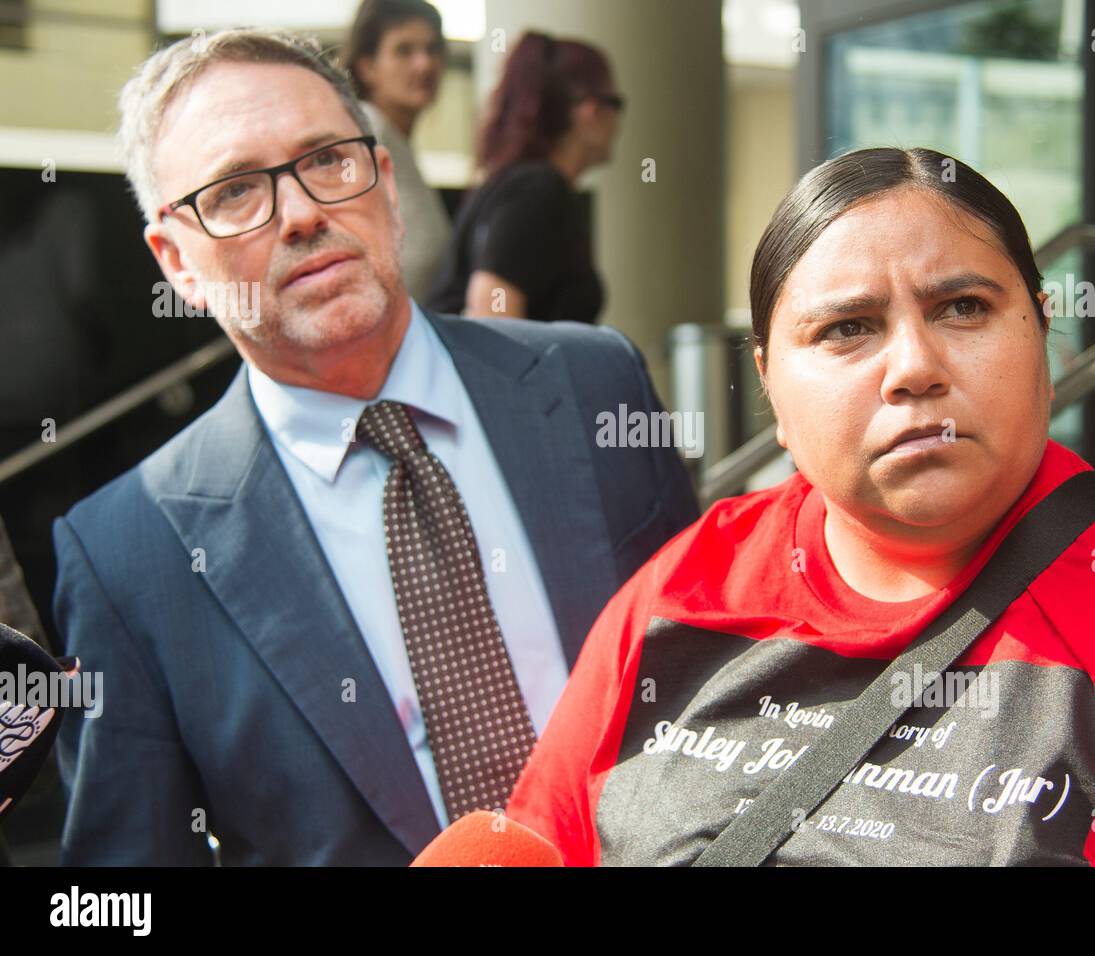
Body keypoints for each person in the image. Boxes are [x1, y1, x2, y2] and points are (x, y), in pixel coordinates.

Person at [506, 147, 1095, 866]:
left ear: (1046, 337)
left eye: (964, 308)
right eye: (847, 328)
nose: (914, 368)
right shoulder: (679, 594)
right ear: (771, 387)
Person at [52, 28, 697, 866]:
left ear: (386, 185)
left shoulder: (593, 385)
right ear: (176, 261)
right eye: (238, 189)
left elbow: (719, 691)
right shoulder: (127, 553)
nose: (303, 213)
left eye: (327, 159)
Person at [426, 31, 622, 324]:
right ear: (589, 110)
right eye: (616, 103)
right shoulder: (538, 190)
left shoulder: (519, 185)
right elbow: (492, 313)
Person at [342, 0, 452, 302]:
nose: (425, 64)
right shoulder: (361, 134)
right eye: (404, 50)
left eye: (432, 49)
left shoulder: (394, 141)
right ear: (367, 67)